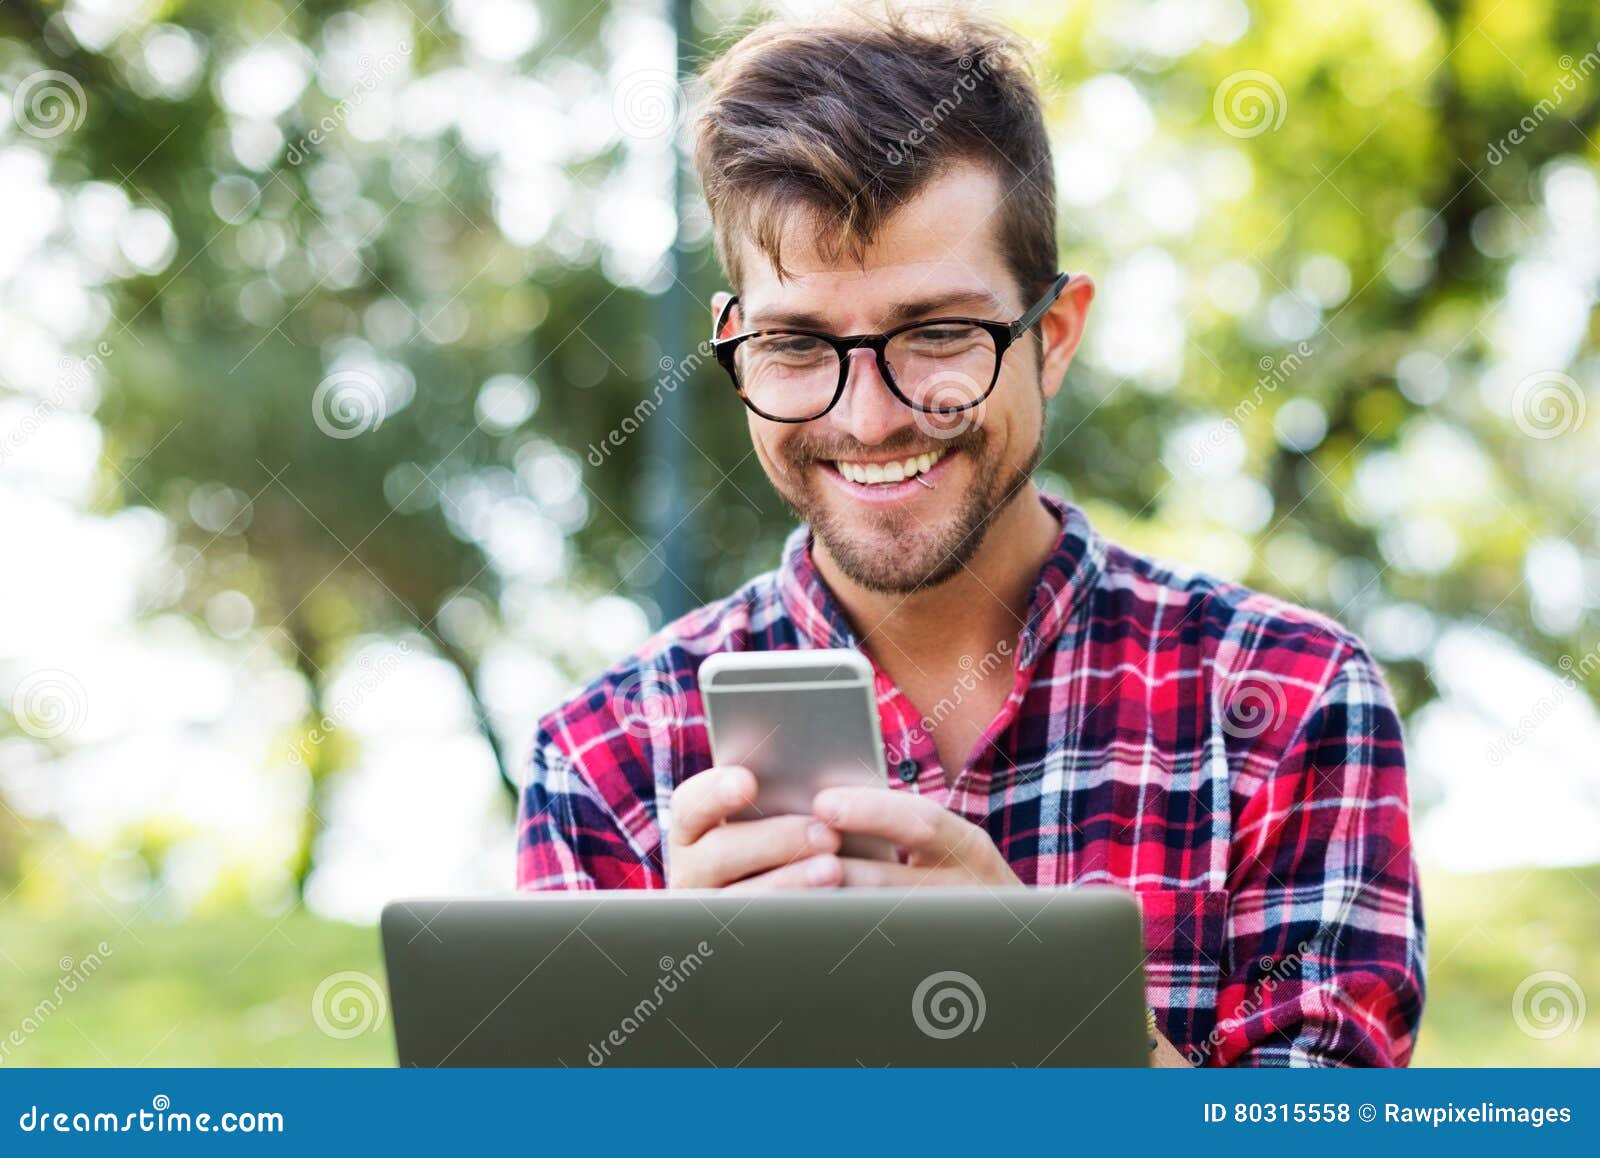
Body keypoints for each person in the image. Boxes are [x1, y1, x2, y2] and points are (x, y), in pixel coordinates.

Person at [517, 3, 1424, 1067]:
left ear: (1054, 336)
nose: (868, 420)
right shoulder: (606, 760)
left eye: (939, 333)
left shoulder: (1288, 705)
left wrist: (1035, 999)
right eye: (796, 344)